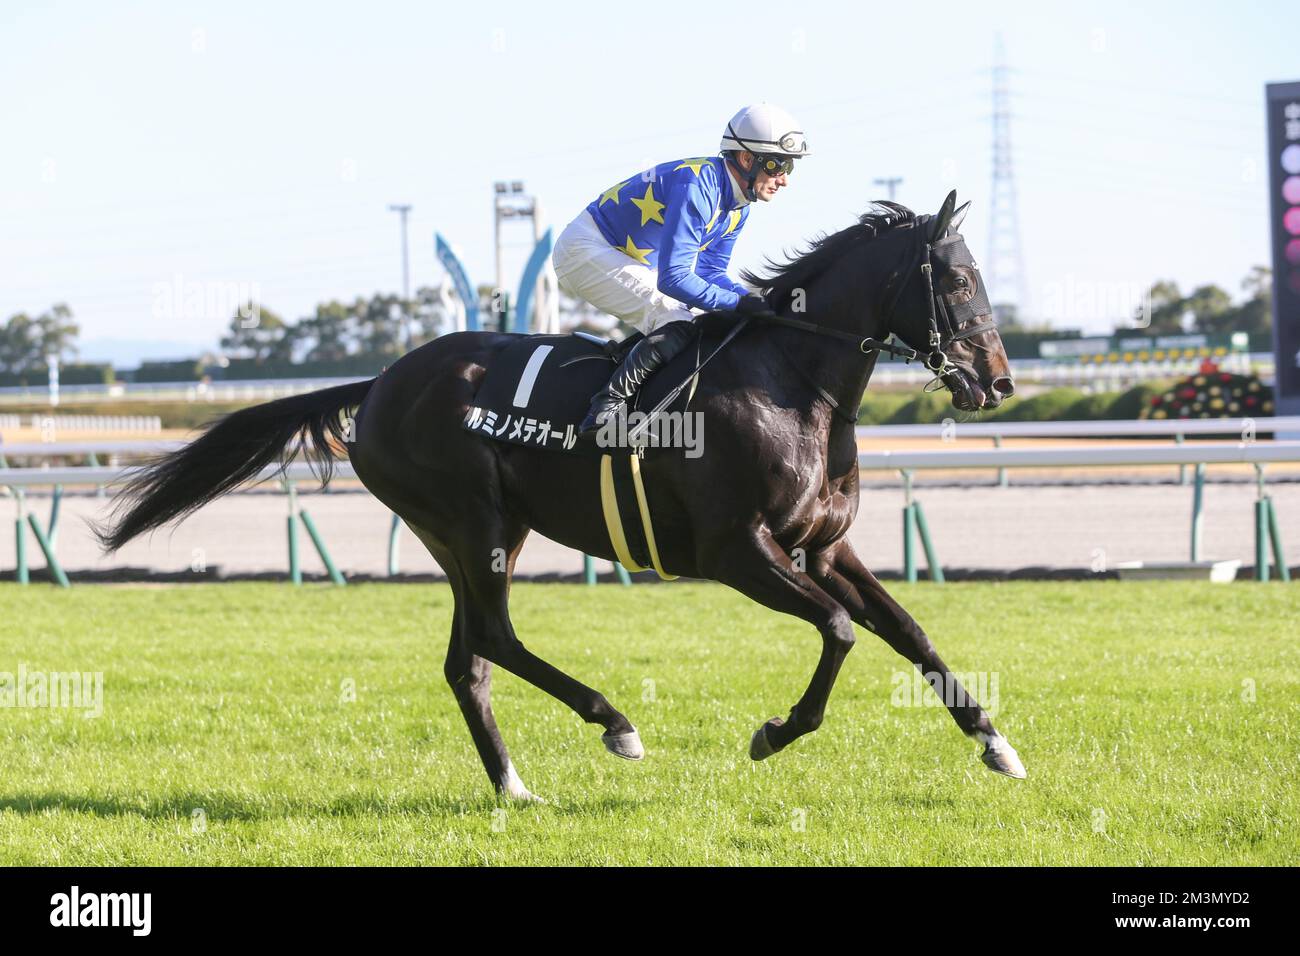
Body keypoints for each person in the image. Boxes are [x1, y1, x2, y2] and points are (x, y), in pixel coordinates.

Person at [551, 103, 810, 438]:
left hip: (623, 257)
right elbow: (674, 279)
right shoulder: (700, 186)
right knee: (674, 316)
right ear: (748, 159)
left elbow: (710, 272)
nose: (784, 179)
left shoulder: (738, 205)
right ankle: (604, 412)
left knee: (696, 316)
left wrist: (755, 300)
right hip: (586, 249)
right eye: (779, 165)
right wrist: (737, 304)